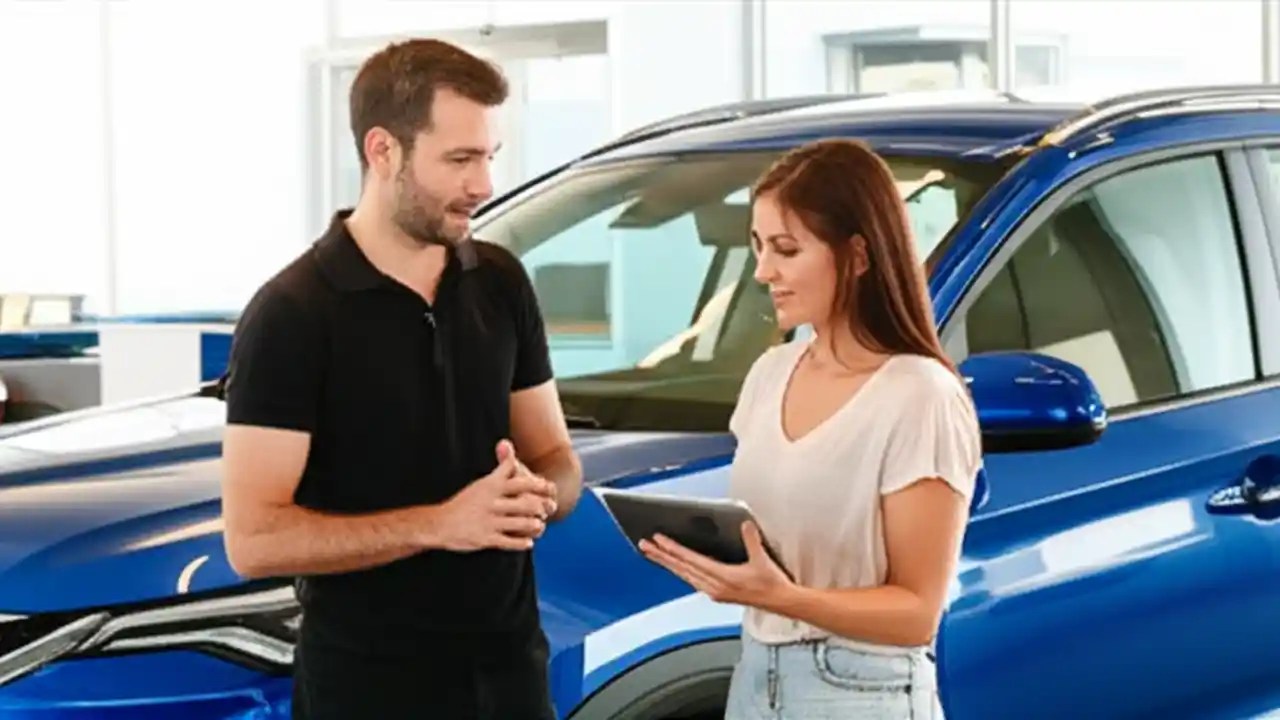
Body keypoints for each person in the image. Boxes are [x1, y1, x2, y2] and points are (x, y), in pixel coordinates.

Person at [219, 38, 582, 720]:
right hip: (368, 691)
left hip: (510, 678)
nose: (484, 185)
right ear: (383, 151)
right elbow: (254, 540)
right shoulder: (293, 314)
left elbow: (558, 461)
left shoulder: (501, 283)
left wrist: (536, 497)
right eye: (460, 160)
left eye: (489, 158)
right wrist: (442, 524)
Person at [639, 138, 981, 719]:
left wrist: (784, 597)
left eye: (786, 249)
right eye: (757, 247)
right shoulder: (770, 374)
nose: (762, 271)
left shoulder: (920, 396)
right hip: (754, 679)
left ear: (858, 255)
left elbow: (918, 612)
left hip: (861, 691)